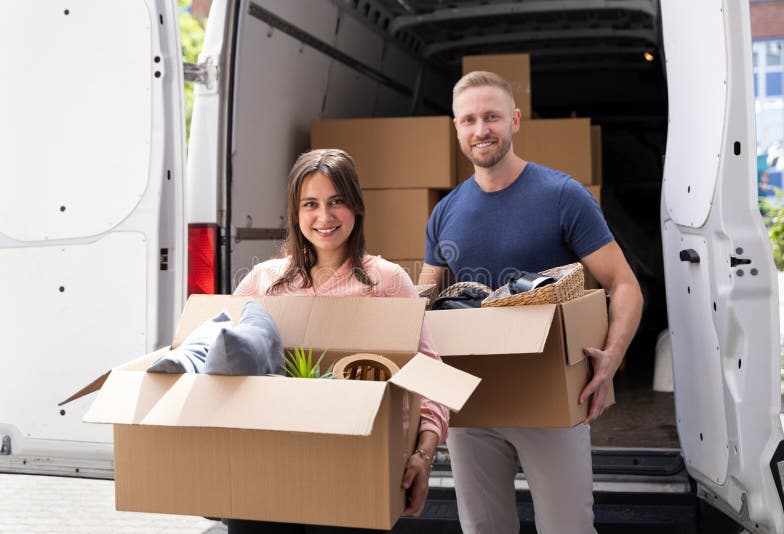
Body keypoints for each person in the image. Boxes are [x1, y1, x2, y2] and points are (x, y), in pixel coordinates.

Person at [418, 71, 643, 533]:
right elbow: (424, 301)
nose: (481, 130)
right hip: (472, 405)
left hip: (551, 400)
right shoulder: (445, 213)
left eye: (492, 117)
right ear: (456, 128)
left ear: (515, 120)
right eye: (469, 120)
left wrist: (611, 360)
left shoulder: (562, 196)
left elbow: (624, 285)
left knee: (568, 529)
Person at [229, 148, 449, 534]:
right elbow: (223, 364)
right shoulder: (262, 282)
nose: (324, 217)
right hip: (267, 471)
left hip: (356, 471)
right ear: (296, 214)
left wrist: (423, 457)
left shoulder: (388, 281)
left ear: (356, 208)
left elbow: (430, 377)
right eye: (310, 204)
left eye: (337, 202)